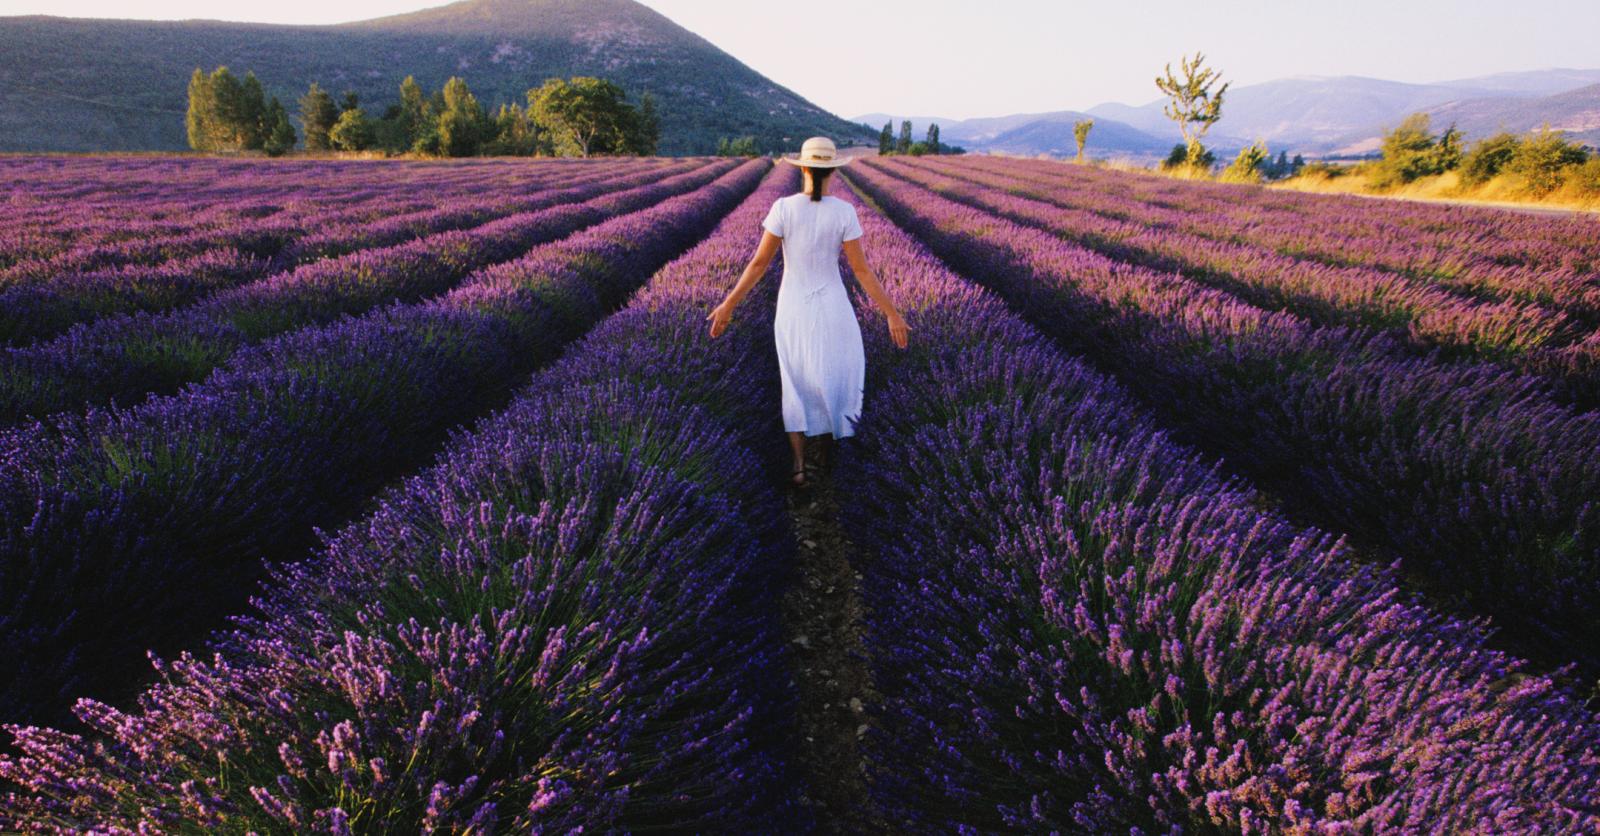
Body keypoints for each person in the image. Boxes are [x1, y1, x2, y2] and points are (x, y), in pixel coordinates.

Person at [707, 136, 910, 489]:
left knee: (795, 380)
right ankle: (828, 458)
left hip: (794, 307)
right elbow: (862, 271)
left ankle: (799, 467)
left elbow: (758, 264)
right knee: (836, 377)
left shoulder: (784, 208)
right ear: (832, 170)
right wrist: (891, 313)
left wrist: (729, 304)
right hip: (833, 306)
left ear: (802, 167)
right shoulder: (844, 212)